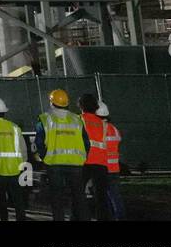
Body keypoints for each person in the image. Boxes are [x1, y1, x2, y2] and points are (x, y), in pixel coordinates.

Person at [35, 88, 90, 221]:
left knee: (57, 198)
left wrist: (44, 158)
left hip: (54, 164)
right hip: (75, 165)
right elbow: (86, 143)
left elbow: (39, 142)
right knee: (78, 197)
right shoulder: (77, 119)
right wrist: (82, 158)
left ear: (51, 102)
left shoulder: (45, 118)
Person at [79, 93, 111, 221]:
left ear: (81, 106)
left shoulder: (79, 119)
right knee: (101, 198)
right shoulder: (102, 123)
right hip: (101, 162)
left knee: (78, 194)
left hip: (85, 161)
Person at [99, 103, 125, 220]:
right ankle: (120, 217)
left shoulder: (99, 129)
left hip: (105, 167)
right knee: (115, 196)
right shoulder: (114, 129)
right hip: (115, 168)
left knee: (106, 197)